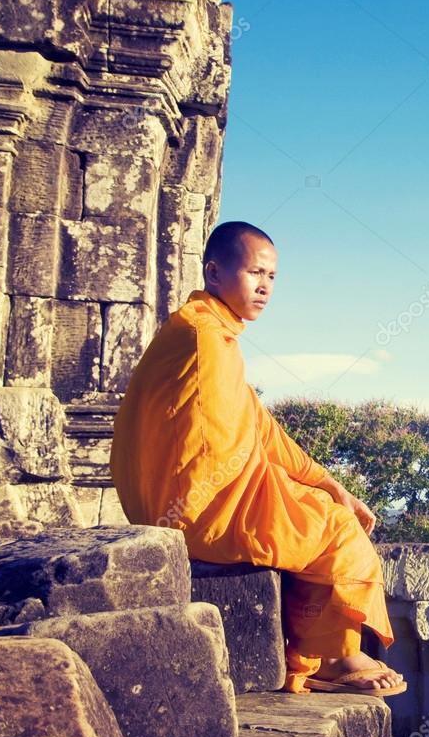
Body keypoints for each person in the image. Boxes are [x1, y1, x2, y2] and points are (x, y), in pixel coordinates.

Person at [110, 220, 405, 696]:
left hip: (183, 499)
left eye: (272, 276)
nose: (265, 286)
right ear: (214, 272)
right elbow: (222, 442)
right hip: (195, 510)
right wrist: (305, 494)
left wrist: (329, 483)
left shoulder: (210, 331)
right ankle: (334, 660)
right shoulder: (201, 336)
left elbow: (258, 427)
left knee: (323, 508)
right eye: (254, 272)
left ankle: (312, 654)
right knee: (337, 530)